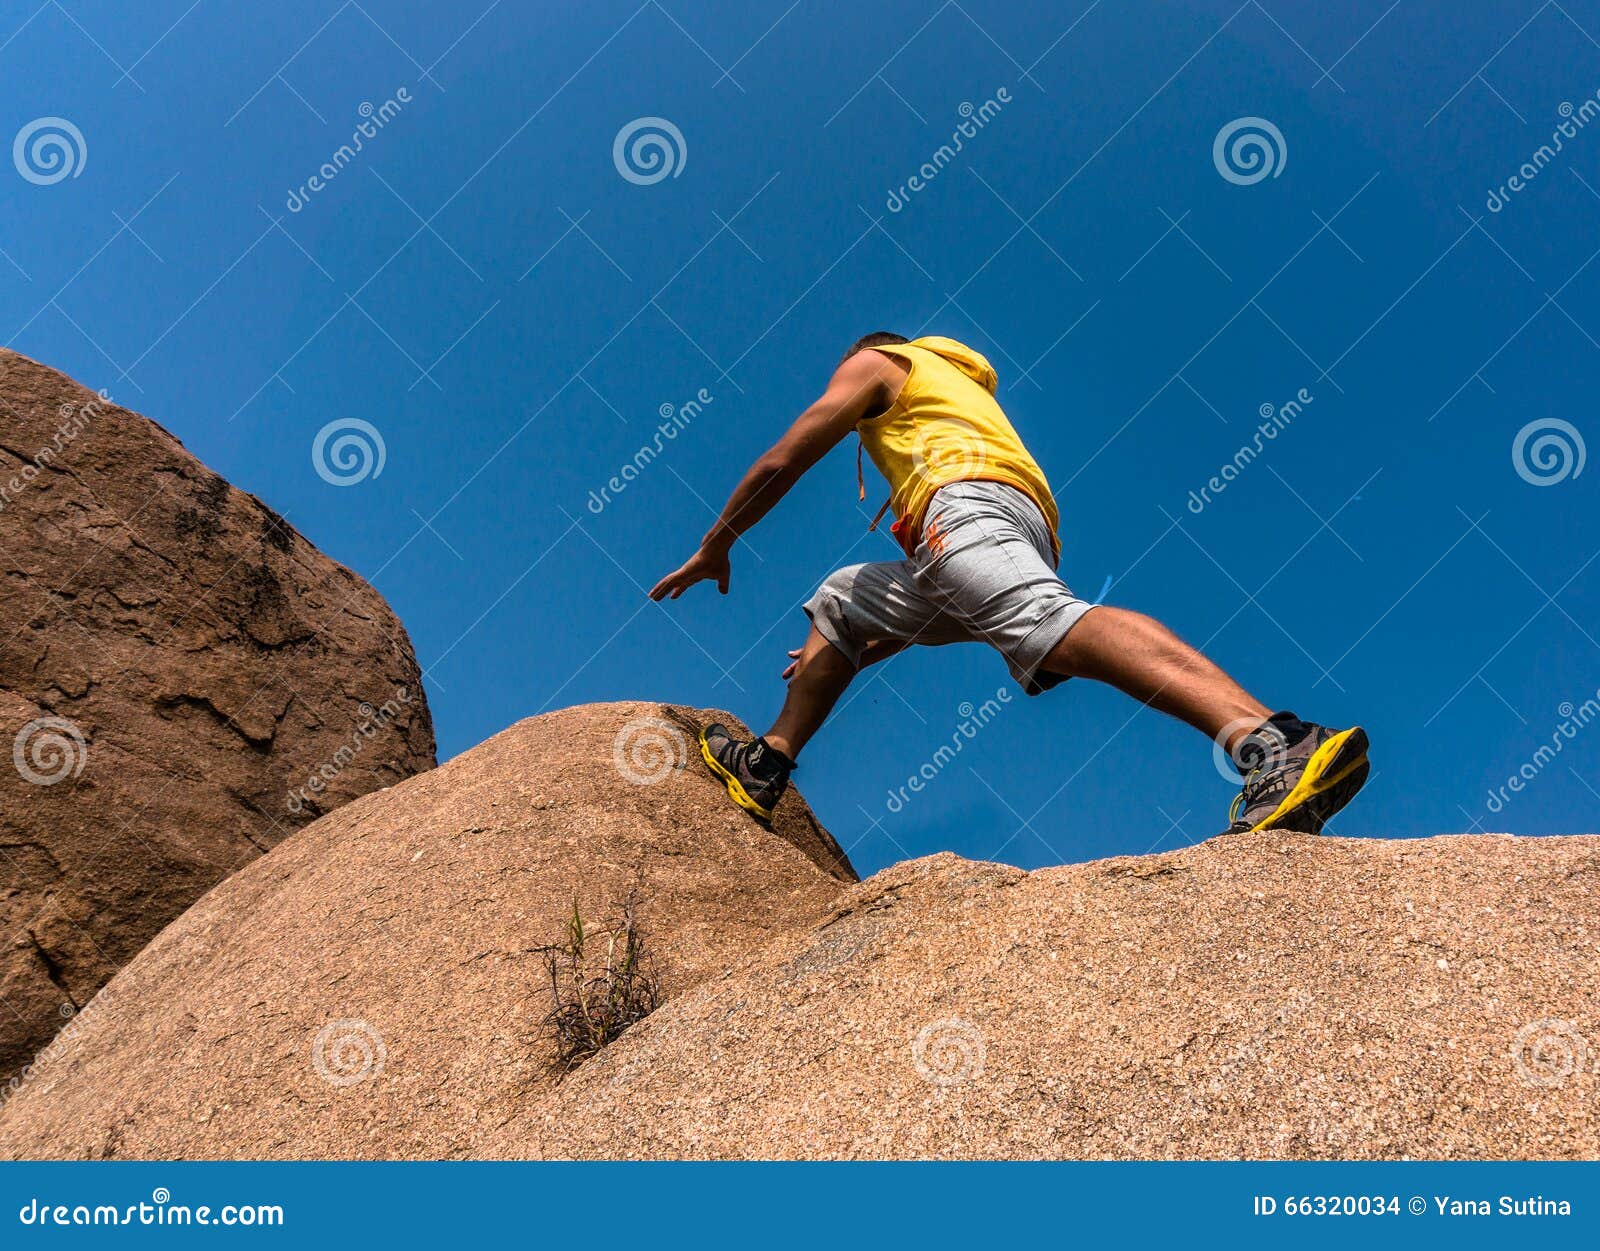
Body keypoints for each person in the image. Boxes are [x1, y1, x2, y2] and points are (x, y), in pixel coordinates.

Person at [649, 332, 1368, 836]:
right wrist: (860, 648)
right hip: (1006, 521)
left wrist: (716, 544)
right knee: (843, 598)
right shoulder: (957, 391)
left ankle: (1273, 743)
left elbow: (784, 459)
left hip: (961, 508)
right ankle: (767, 763)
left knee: (1050, 623)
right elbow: (942, 599)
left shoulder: (881, 362)